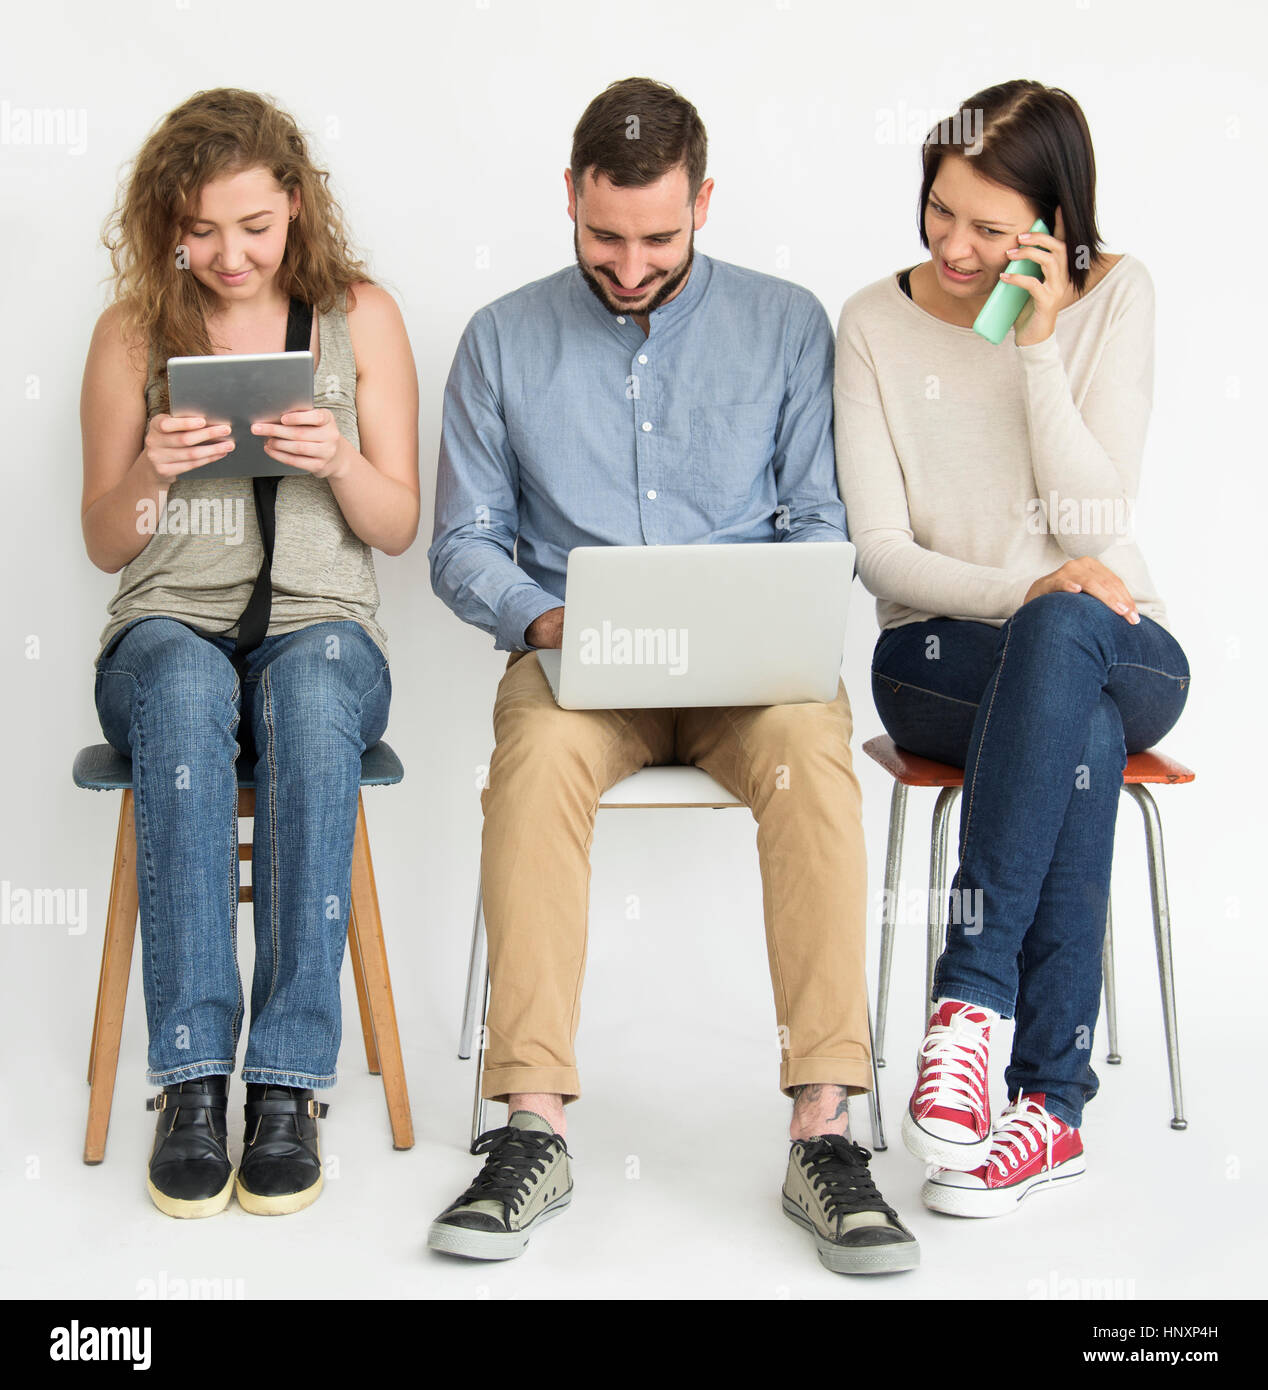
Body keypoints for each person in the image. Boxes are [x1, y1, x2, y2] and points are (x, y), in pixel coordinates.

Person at [427, 77, 917, 1274]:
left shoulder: (787, 323)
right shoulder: (499, 338)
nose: (631, 264)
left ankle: (823, 1131)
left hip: (752, 678)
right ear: (568, 199)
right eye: (603, 236)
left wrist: (762, 605)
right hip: (576, 668)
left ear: (704, 200)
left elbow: (817, 519)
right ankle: (528, 1126)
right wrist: (544, 621)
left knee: (812, 756)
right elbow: (460, 543)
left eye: (658, 236)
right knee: (533, 761)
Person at [834, 80, 1190, 1217]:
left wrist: (1036, 348)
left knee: (1070, 658)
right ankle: (1049, 1110)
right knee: (1066, 702)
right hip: (936, 659)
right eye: (940, 211)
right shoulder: (872, 323)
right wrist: (1026, 592)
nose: (952, 246)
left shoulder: (1116, 296)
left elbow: (1093, 529)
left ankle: (968, 1001)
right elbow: (881, 553)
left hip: (1116, 640)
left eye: (988, 229)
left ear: (1052, 222)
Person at [81, 87, 419, 1218]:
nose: (230, 254)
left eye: (255, 227)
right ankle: (189, 1086)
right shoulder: (134, 331)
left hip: (323, 634)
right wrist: (154, 474)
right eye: (201, 229)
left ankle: (284, 1085)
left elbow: (397, 524)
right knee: (183, 683)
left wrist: (335, 458)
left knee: (311, 691)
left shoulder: (358, 317)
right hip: (164, 633)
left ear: (295, 208)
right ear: (165, 222)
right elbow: (101, 538)